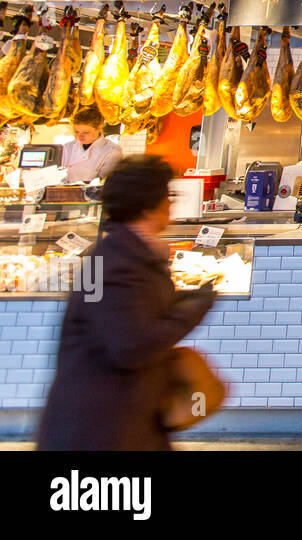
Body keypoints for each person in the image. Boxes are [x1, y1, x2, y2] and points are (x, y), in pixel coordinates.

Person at [38, 155, 216, 450]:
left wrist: (183, 302)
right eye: (168, 197)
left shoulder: (111, 258)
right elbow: (129, 345)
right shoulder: (112, 263)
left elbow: (119, 318)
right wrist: (191, 309)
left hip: (117, 423)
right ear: (151, 205)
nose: (171, 206)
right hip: (101, 432)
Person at [61, 107, 123, 184]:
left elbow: (106, 181)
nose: (80, 136)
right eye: (77, 132)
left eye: (86, 132)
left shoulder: (112, 150)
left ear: (99, 128)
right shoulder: (67, 147)